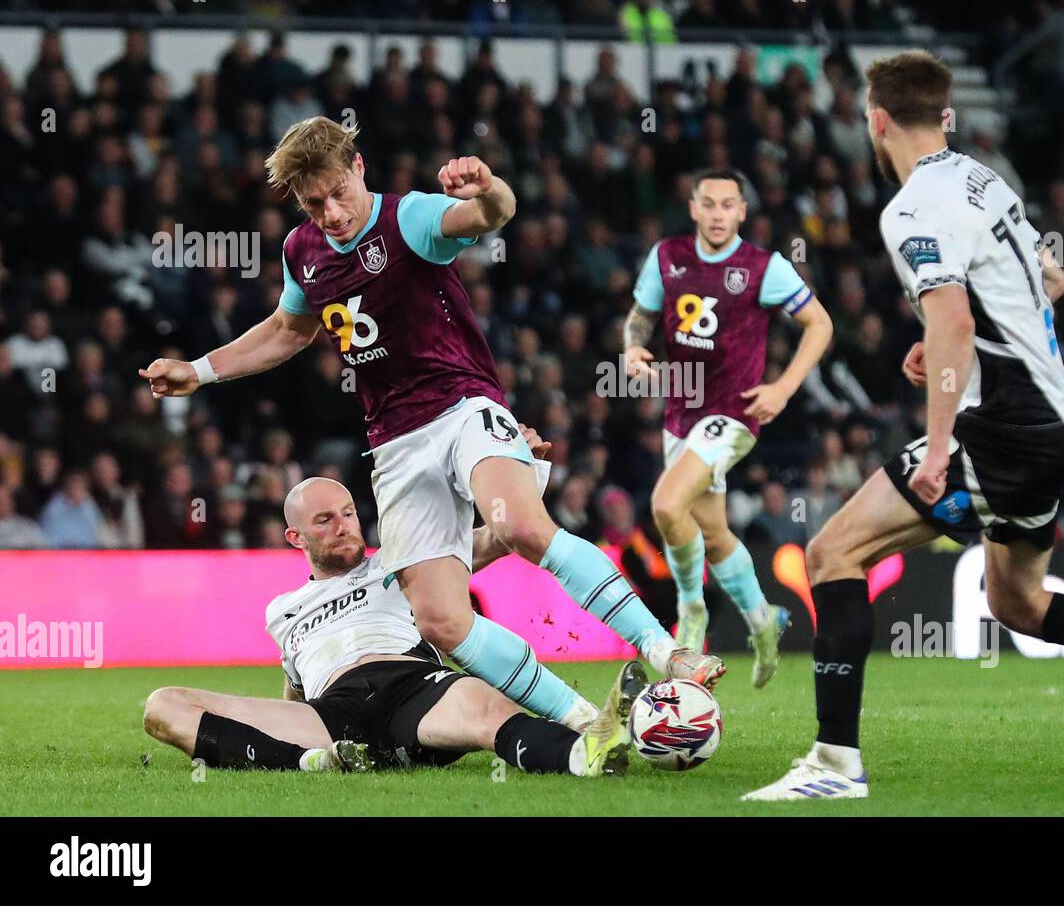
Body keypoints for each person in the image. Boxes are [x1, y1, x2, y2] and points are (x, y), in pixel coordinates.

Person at [744, 50, 1064, 801]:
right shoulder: (987, 179)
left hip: (1001, 429)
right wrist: (961, 343)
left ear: (877, 120)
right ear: (947, 117)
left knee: (831, 553)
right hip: (1055, 419)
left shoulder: (911, 207)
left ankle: (833, 766)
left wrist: (938, 435)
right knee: (1018, 602)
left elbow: (955, 316)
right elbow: (1047, 280)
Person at [139, 119, 723, 737]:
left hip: (462, 407)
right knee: (442, 620)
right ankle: (588, 724)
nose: (332, 212)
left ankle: (668, 653)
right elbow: (288, 331)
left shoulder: (408, 219)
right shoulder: (301, 253)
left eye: (339, 192)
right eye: (315, 203)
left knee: (519, 524)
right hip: (393, 444)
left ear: (359, 167)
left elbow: (491, 217)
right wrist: (199, 371)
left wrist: (488, 186)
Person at [143, 474, 645, 778]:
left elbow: (500, 535)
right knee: (164, 706)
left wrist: (523, 471)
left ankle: (585, 754)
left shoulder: (402, 562)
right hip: (334, 715)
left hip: (413, 686)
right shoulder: (282, 609)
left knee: (489, 712)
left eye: (347, 512)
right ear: (295, 536)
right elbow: (294, 686)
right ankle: (314, 762)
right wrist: (292, 723)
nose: (343, 524)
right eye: (325, 520)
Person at [623, 168, 833, 686]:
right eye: (709, 205)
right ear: (694, 208)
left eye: (728, 205)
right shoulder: (667, 257)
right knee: (713, 535)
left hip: (733, 415)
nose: (718, 215)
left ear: (742, 211)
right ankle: (764, 623)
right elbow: (640, 316)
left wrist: (783, 388)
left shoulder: (763, 268)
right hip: (681, 414)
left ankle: (692, 610)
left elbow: (820, 324)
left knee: (667, 505)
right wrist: (631, 346)